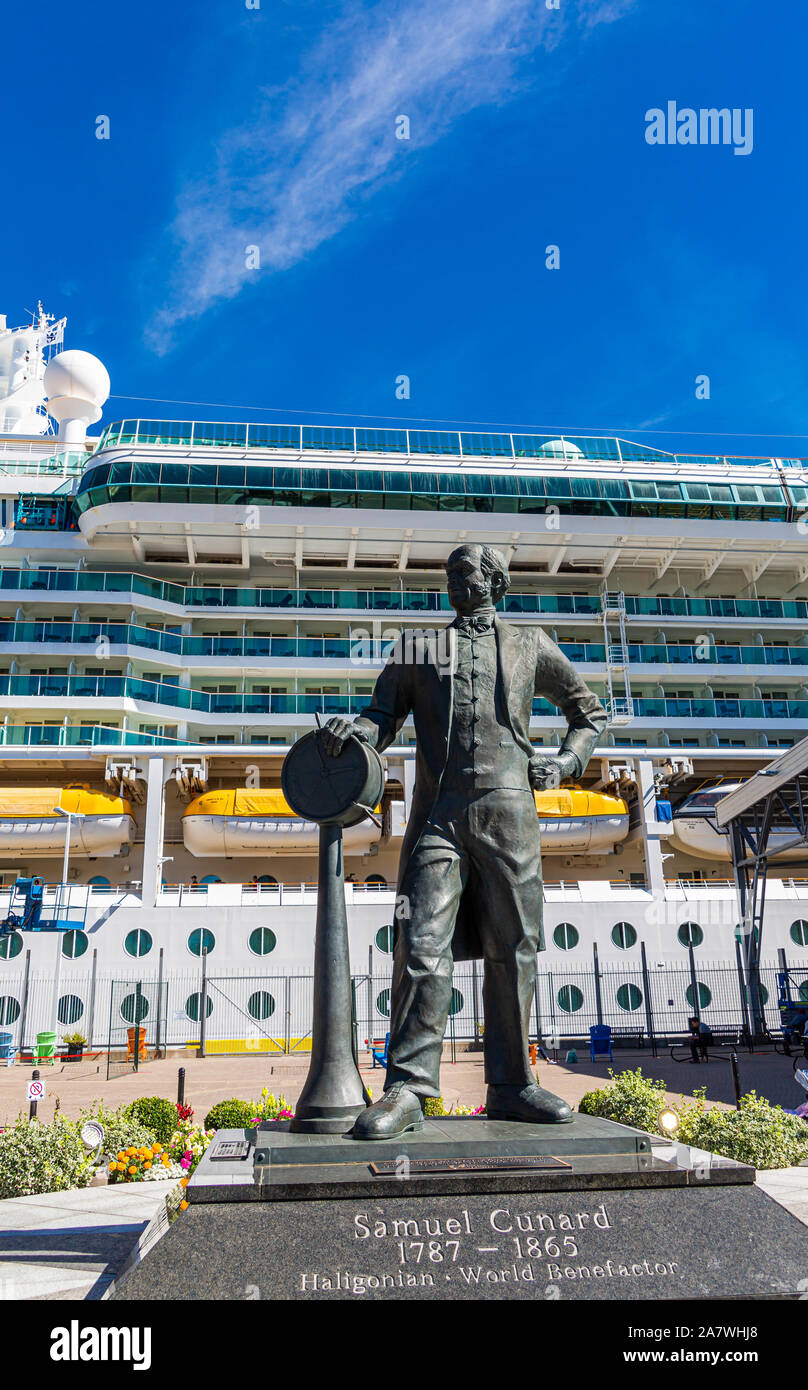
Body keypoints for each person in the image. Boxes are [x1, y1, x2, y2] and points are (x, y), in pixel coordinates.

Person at [321, 542, 608, 1140]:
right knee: (421, 941)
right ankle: (407, 1088)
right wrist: (357, 730)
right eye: (448, 570)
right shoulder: (418, 646)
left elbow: (589, 714)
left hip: (512, 814)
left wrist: (564, 764)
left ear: (495, 582)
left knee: (516, 944)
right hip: (438, 815)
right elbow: (383, 714)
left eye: (465, 571)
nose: (452, 579)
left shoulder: (531, 642)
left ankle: (512, 1084)